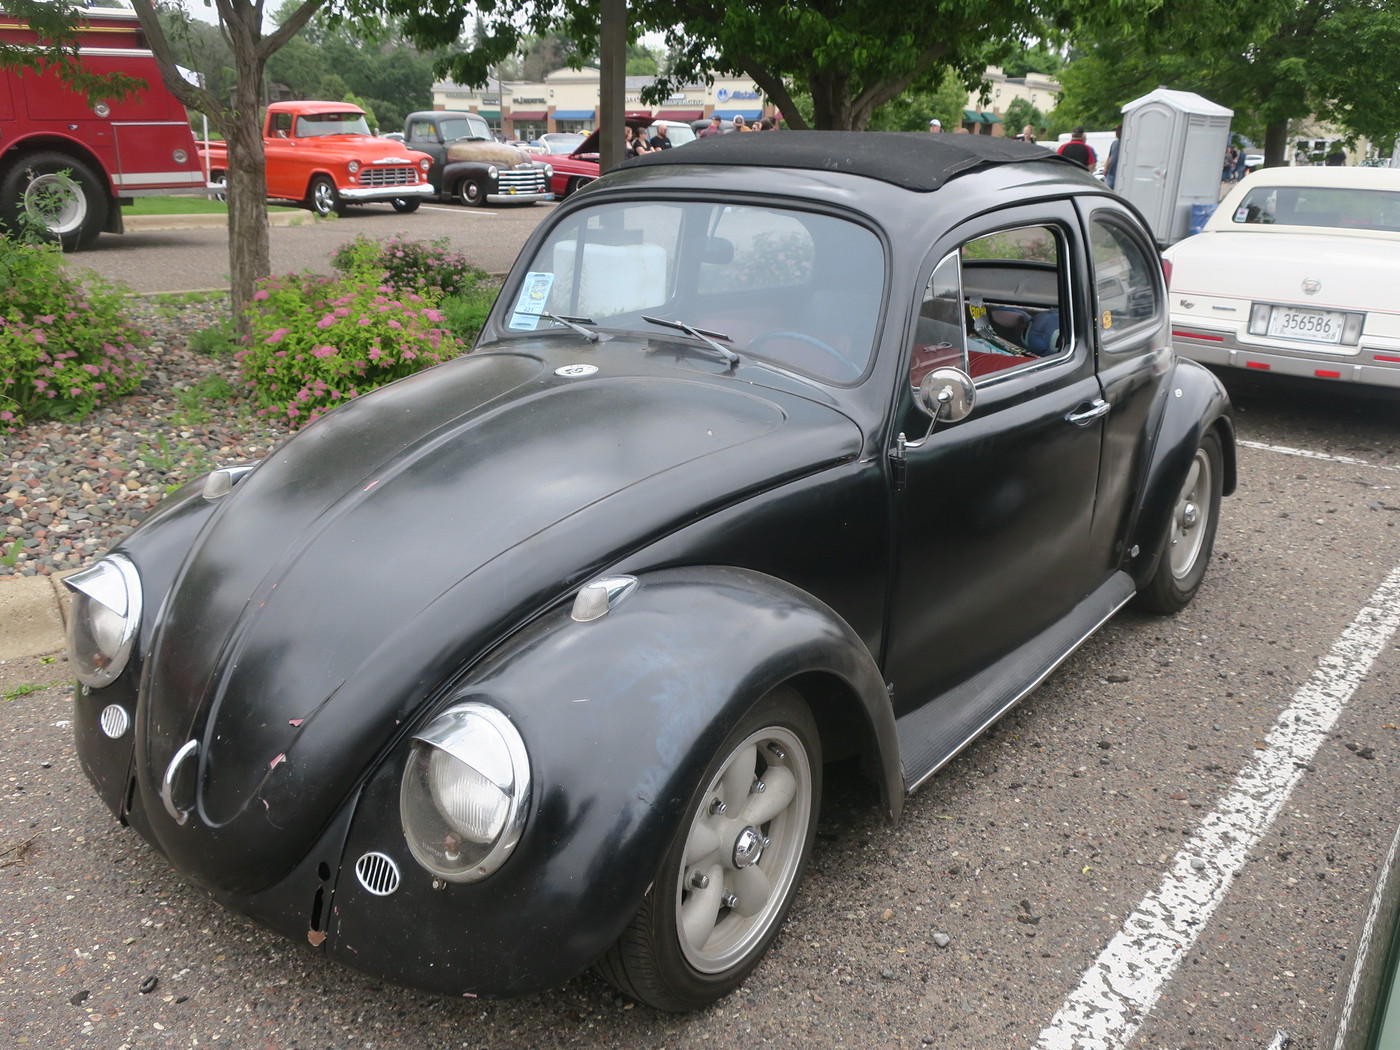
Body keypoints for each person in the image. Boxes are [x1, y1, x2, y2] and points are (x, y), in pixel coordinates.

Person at [1105, 124, 1122, 189]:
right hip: (1110, 174)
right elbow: (1110, 156)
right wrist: (1105, 167)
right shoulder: (1114, 143)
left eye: (1117, 130)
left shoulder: (1126, 143)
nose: (1116, 132)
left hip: (1118, 174)